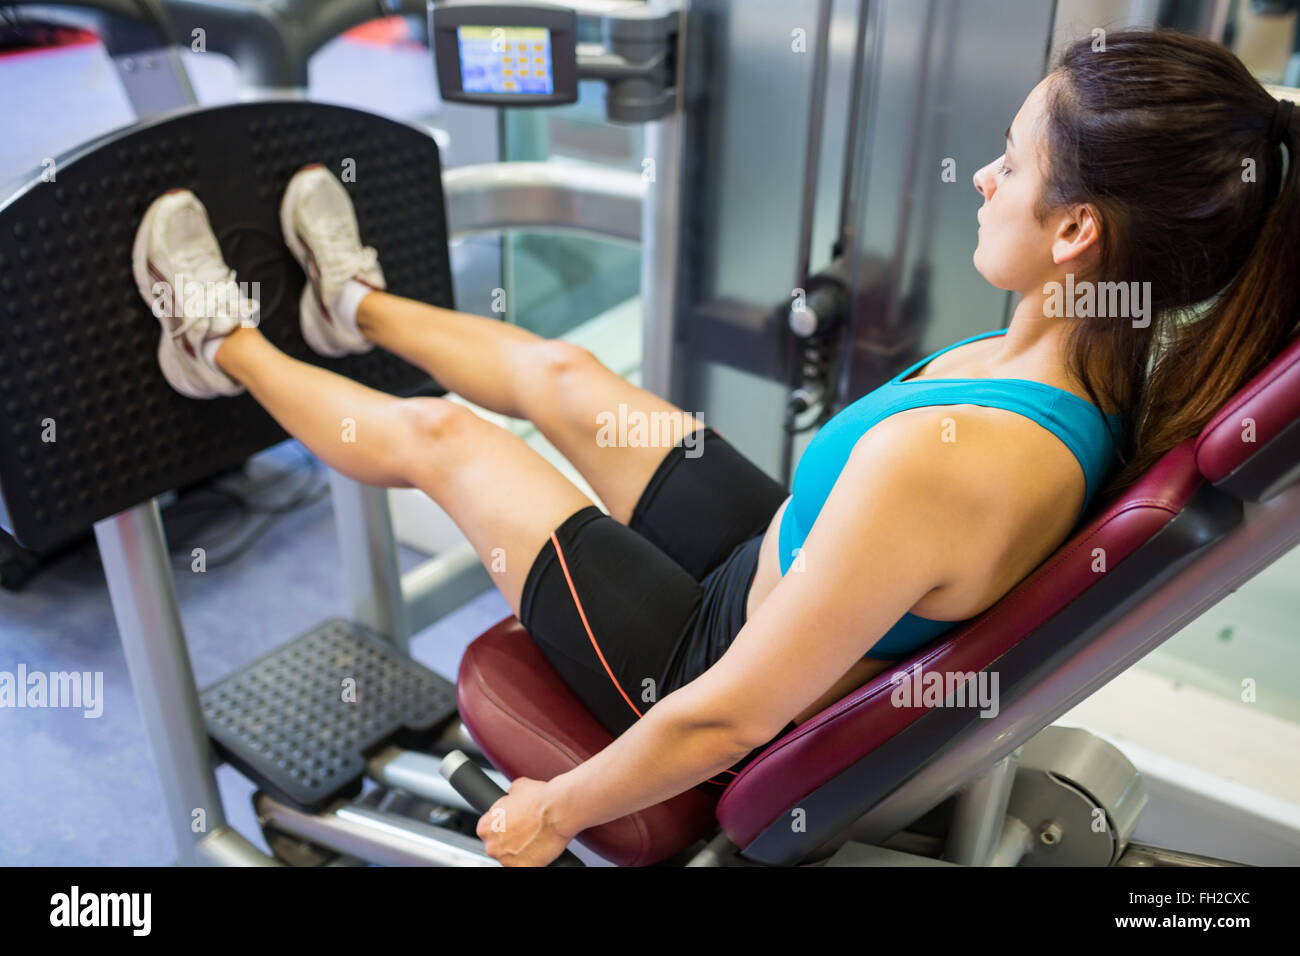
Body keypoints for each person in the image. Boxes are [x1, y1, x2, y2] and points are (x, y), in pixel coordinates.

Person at [131, 28, 1297, 866]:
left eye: (1012, 162)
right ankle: (355, 309)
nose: (985, 179)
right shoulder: (1085, 355)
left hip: (700, 658)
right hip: (780, 555)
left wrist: (555, 807)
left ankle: (216, 336)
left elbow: (727, 719)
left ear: (1079, 231)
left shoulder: (967, 457)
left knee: (446, 435)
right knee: (562, 374)